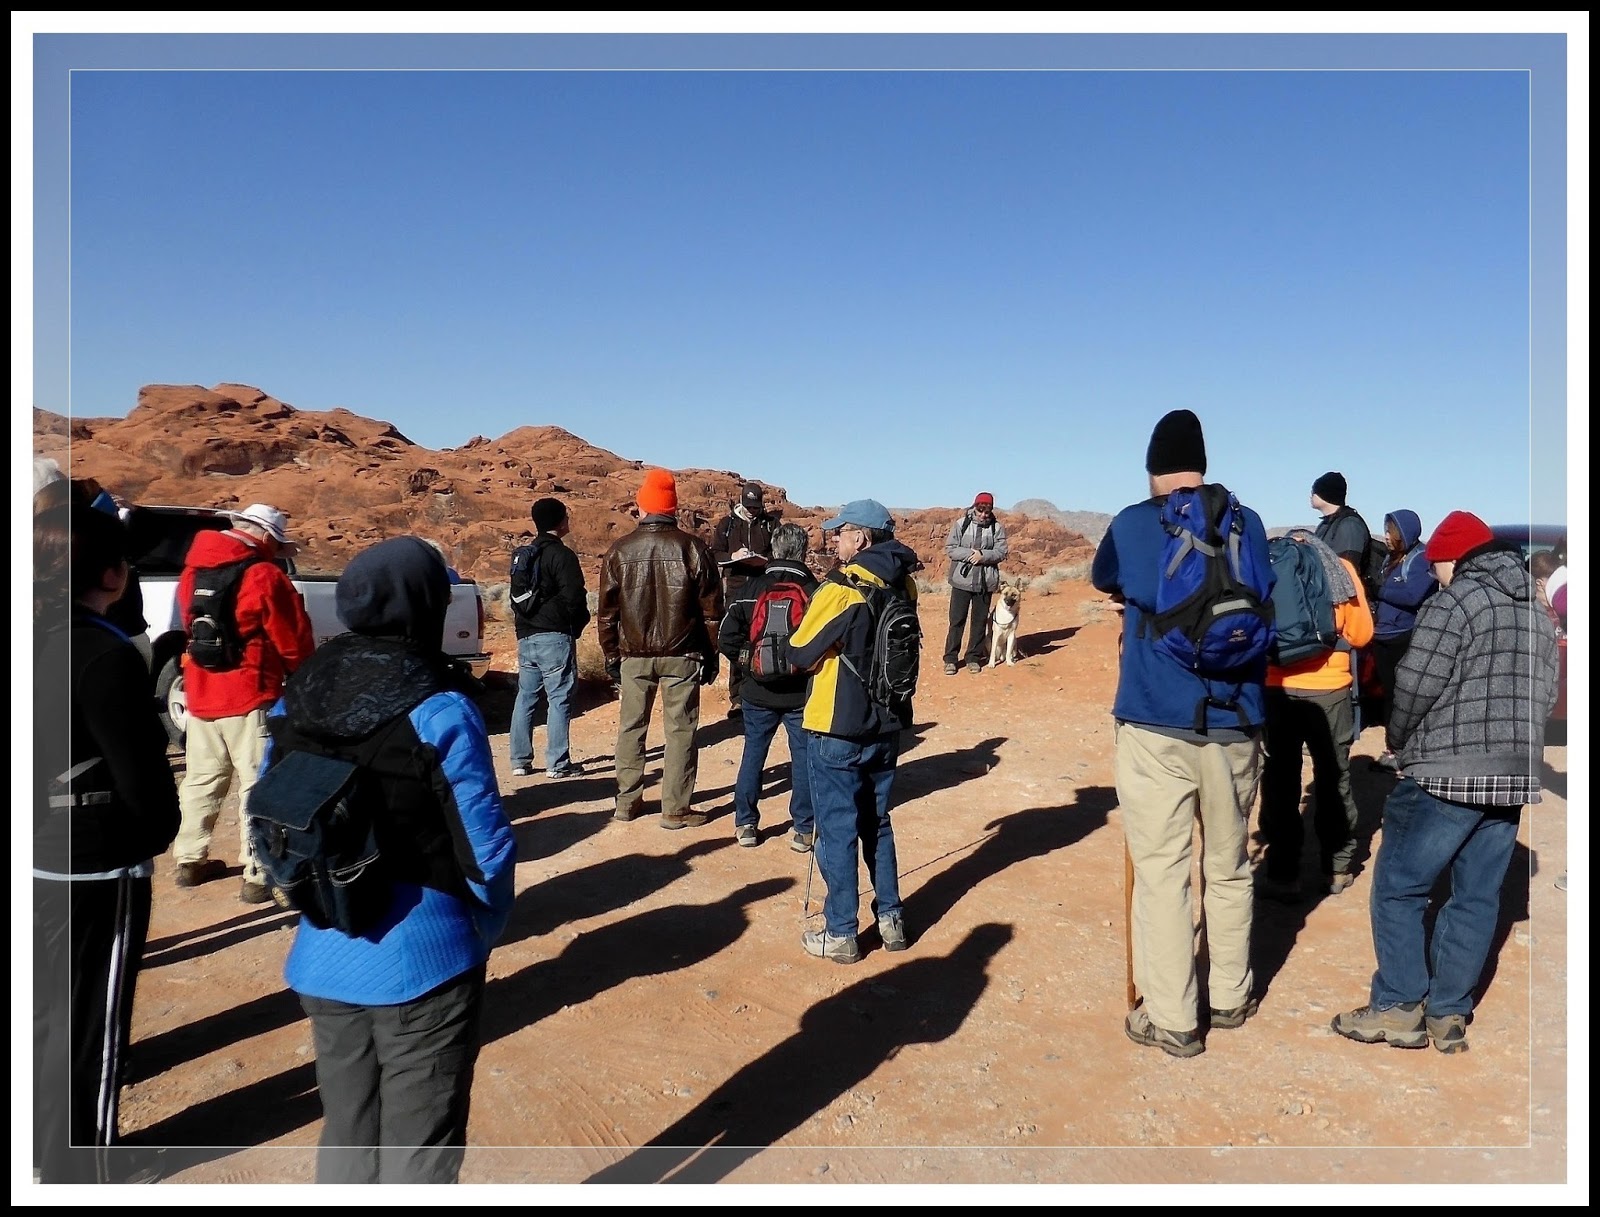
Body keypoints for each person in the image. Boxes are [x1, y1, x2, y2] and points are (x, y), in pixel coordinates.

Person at [267, 536, 516, 1183]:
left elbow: (275, 812)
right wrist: (485, 924)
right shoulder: (439, 704)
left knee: (348, 1129)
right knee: (420, 1142)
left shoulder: (298, 692)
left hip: (323, 949)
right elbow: (484, 845)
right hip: (424, 956)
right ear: (426, 605)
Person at [1333, 511, 1558, 1054]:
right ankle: (1448, 1013)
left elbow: (1414, 683)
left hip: (1445, 772)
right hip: (1512, 776)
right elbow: (1547, 693)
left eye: (1436, 566)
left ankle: (1398, 1005)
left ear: (1453, 559)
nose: (1434, 575)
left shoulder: (1455, 602)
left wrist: (1399, 740)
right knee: (1476, 897)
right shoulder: (1537, 610)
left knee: (1400, 888)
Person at [1091, 410, 1272, 1058]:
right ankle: (1230, 995)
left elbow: (1105, 578)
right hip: (1238, 722)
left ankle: (1171, 1016)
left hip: (1155, 723)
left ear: (1152, 469)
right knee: (1229, 866)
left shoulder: (1134, 523)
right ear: (1202, 465)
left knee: (1163, 871)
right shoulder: (1248, 523)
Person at [33, 501, 180, 1182]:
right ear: (114, 573)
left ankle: (40, 1150)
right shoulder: (102, 654)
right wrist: (151, 836)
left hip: (37, 854)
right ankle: (81, 1166)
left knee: (43, 1013)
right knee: (92, 1020)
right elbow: (143, 782)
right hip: (97, 864)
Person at [787, 499, 921, 964]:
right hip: (888, 723)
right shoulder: (905, 585)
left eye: (840, 532)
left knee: (837, 828)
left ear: (861, 537)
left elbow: (800, 651)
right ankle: (891, 920)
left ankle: (841, 931)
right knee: (877, 823)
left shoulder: (841, 589)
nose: (834, 540)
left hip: (837, 726)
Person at [172, 503, 315, 901]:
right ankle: (257, 871)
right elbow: (292, 638)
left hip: (201, 691)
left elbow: (187, 624)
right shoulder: (265, 575)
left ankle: (189, 858)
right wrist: (303, 677)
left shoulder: (191, 572)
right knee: (258, 783)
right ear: (266, 536)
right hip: (251, 693)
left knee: (201, 778)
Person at [597, 469, 724, 828]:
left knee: (631, 728)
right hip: (682, 655)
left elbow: (607, 614)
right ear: (672, 508)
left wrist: (611, 655)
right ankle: (675, 809)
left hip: (633, 656)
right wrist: (710, 655)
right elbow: (712, 611)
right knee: (680, 731)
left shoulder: (620, 550)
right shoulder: (693, 548)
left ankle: (627, 802)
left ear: (643, 507)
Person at [1256, 533, 1374, 902]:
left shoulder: (1263, 567)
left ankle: (1283, 873)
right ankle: (1336, 867)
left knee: (1279, 780)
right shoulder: (1341, 569)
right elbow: (1362, 634)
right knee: (1334, 778)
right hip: (1330, 690)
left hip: (1276, 688)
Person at [717, 521, 819, 851]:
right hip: (800, 693)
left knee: (753, 754)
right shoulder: (816, 590)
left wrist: (750, 663)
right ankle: (803, 829)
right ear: (803, 551)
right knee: (803, 758)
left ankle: (746, 823)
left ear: (774, 549)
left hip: (756, 692)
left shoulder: (752, 587)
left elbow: (726, 637)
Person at [508, 497, 591, 779]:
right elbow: (574, 596)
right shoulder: (562, 555)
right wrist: (575, 626)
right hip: (554, 635)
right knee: (559, 698)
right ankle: (558, 763)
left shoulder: (526, 555)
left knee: (526, 697)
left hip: (526, 635)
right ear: (560, 521)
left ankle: (519, 761)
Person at [1370, 510, 1438, 765]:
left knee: (1405, 694)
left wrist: (1380, 590)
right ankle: (1394, 749)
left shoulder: (1420, 559)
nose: (1387, 537)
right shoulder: (1391, 559)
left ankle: (1403, 750)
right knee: (1390, 695)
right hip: (1383, 635)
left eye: (1391, 532)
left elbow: (1412, 595)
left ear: (1404, 533)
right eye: (1386, 531)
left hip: (1404, 636)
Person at [712, 482, 778, 714]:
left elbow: (778, 552)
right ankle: (738, 697)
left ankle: (764, 691)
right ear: (741, 502)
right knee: (738, 639)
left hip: (763, 587)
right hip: (737, 590)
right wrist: (733, 556)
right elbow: (715, 553)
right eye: (749, 506)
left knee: (763, 637)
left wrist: (765, 560)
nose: (752, 511)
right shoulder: (727, 524)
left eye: (756, 507)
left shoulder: (770, 524)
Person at [942, 491, 1009, 675]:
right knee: (957, 621)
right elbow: (951, 548)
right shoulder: (961, 524)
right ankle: (950, 659)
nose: (983, 515)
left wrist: (983, 556)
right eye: (980, 510)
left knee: (979, 622)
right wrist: (971, 554)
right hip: (961, 581)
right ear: (975, 507)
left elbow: (1002, 552)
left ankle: (973, 658)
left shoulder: (997, 528)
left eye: (987, 512)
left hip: (984, 583)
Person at [1309, 472, 1374, 572]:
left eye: (1313, 492)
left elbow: (1347, 568)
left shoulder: (1350, 525)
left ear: (1325, 495)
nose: (1310, 496)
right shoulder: (1325, 525)